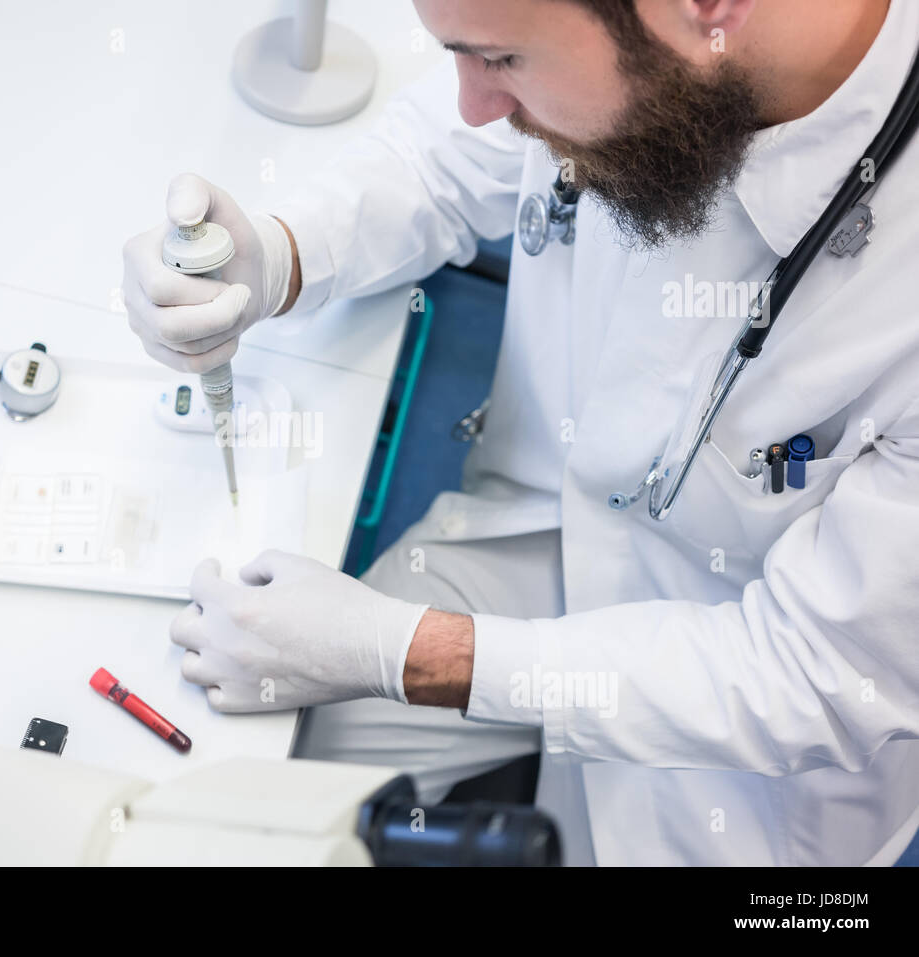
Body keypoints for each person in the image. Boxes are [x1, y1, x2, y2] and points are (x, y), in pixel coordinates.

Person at [120, 0, 919, 865]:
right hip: (549, 538)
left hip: (739, 769)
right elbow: (445, 153)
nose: (473, 99)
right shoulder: (643, 57)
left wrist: (411, 652)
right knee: (244, 788)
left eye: (499, 60)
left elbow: (814, 672)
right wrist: (281, 254)